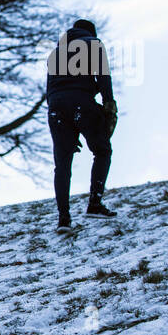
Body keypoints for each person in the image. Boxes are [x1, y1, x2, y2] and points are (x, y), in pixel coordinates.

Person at [46, 18, 118, 232]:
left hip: (56, 108)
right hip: (82, 104)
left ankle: (64, 220)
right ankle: (95, 203)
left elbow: (52, 89)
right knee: (102, 150)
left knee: (62, 164)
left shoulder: (55, 53)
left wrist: (65, 128)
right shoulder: (94, 43)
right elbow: (104, 77)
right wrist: (108, 103)